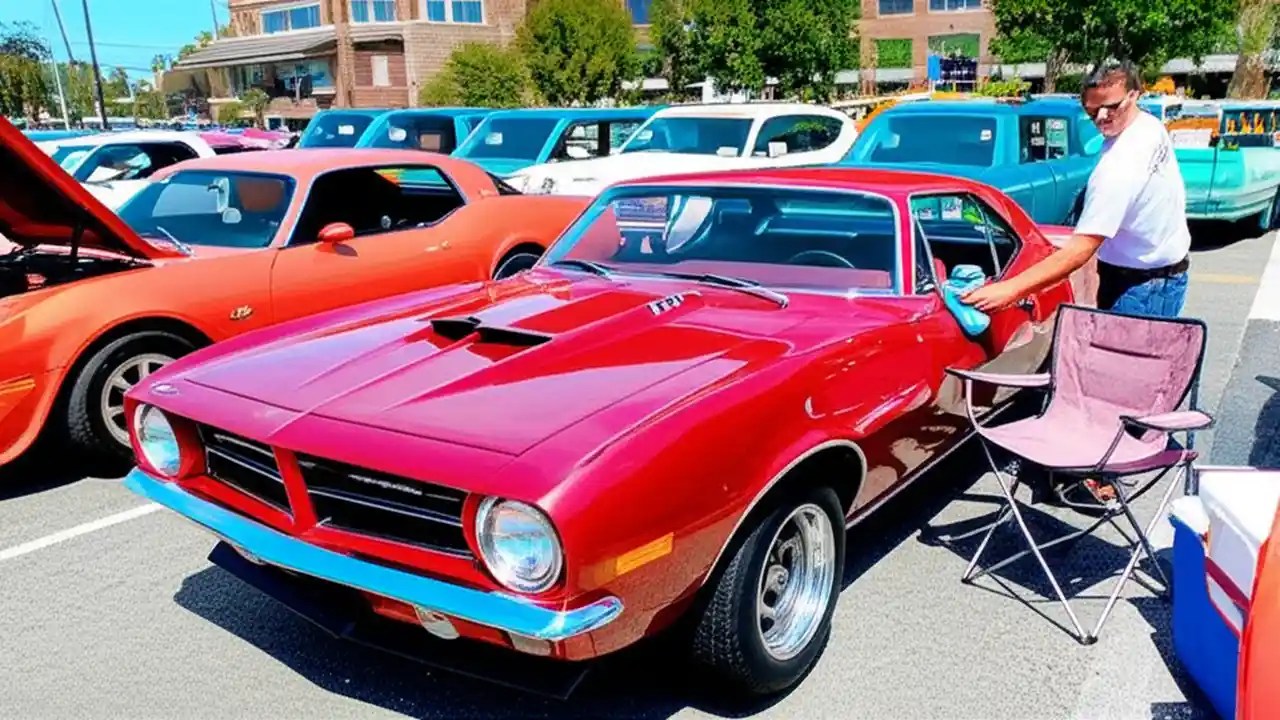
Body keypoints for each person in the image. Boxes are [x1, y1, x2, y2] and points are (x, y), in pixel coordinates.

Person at [961, 59, 1192, 318]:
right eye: (1091, 110)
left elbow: (1081, 248)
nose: (1101, 117)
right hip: (1163, 275)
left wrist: (1008, 291)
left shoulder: (1121, 163)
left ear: (1134, 94)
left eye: (1111, 107)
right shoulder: (1147, 125)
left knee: (1125, 346)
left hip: (1140, 288)